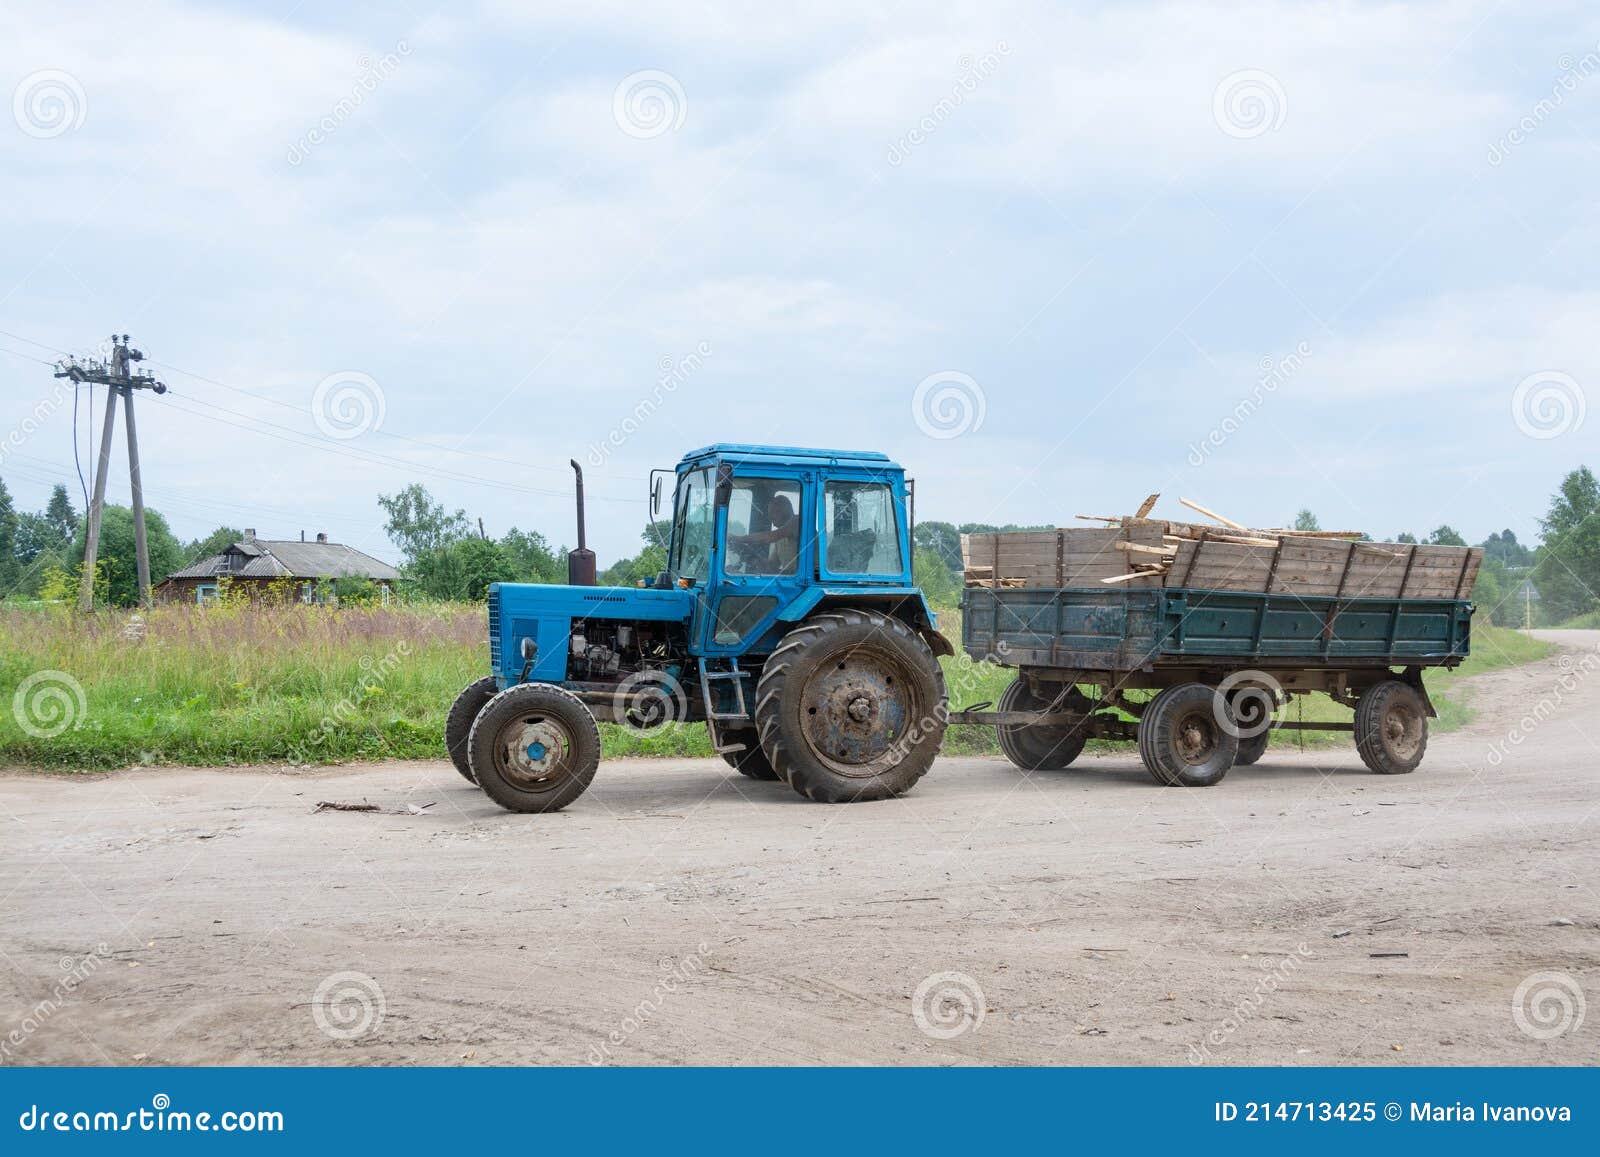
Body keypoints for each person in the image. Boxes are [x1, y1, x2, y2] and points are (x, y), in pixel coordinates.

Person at [730, 493, 798, 574]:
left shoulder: (797, 521)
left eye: (773, 514)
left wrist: (739, 539)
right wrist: (753, 556)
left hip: (811, 579)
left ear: (785, 509)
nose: (772, 520)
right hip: (791, 579)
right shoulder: (780, 540)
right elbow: (771, 567)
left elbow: (770, 537)